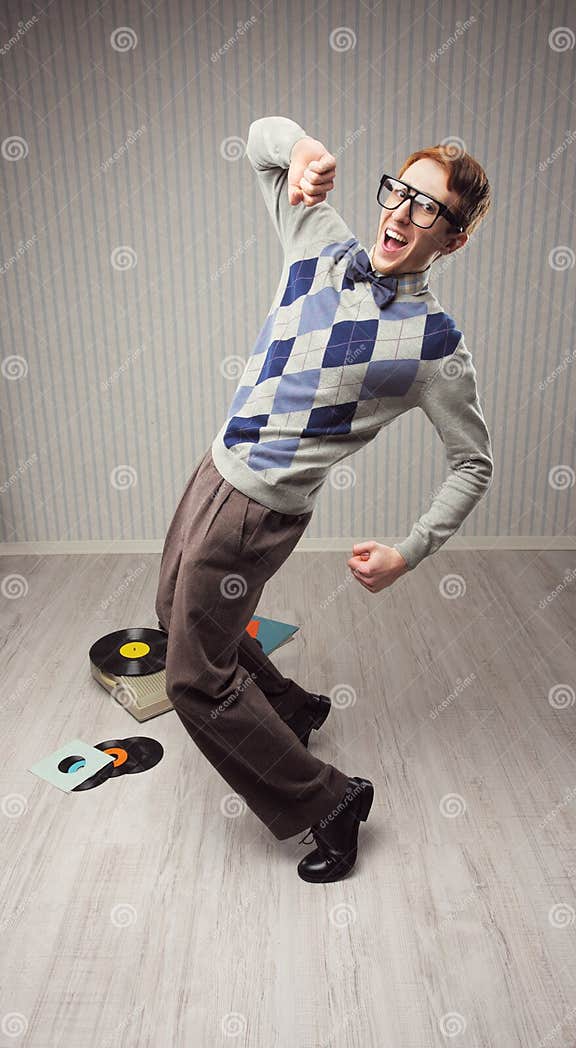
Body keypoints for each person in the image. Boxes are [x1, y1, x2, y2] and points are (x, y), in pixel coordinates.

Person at [155, 116, 494, 884]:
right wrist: (303, 151)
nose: (401, 213)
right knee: (170, 607)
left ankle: (330, 803)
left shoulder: (434, 347)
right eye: (399, 192)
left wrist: (410, 551)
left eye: (427, 208)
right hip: (212, 469)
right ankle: (293, 710)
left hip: (256, 513)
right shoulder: (324, 244)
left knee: (191, 678)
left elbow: (473, 464)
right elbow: (258, 141)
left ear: (453, 238)